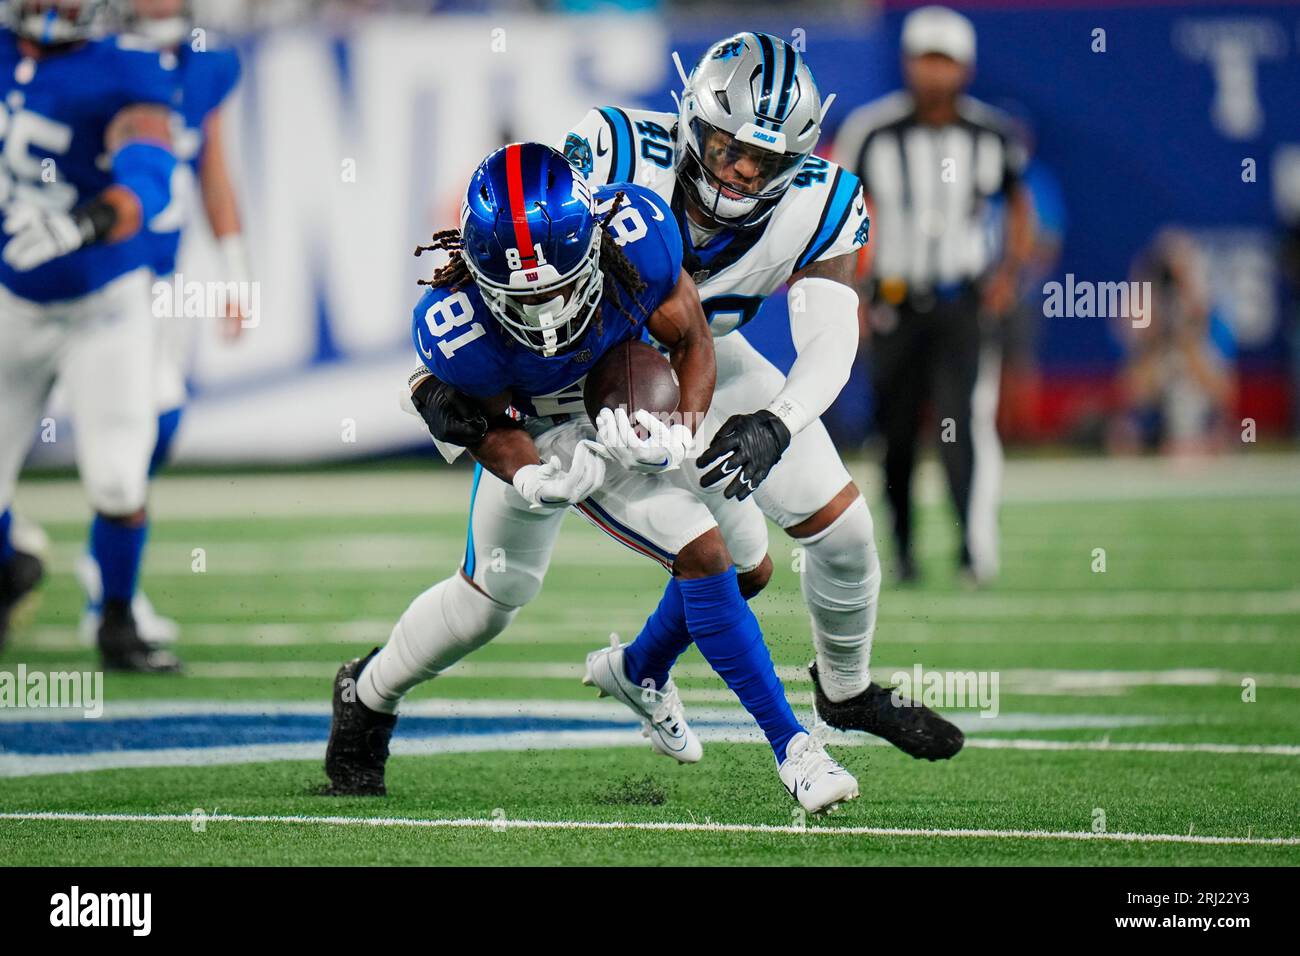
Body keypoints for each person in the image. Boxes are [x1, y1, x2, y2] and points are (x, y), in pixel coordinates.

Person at [325, 143, 858, 813]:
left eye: (559, 286)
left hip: (630, 411)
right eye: (525, 297)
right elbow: (486, 424)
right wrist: (530, 477)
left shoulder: (639, 236)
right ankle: (368, 695)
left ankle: (672, 687)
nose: (547, 313)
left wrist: (682, 430)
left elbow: (693, 338)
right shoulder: (456, 327)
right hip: (542, 432)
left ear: (594, 245)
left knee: (740, 563)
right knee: (489, 601)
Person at [555, 32, 964, 760]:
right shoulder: (615, 150)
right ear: (692, 122)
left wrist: (775, 424)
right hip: (591, 374)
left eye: (767, 161)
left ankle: (844, 690)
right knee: (498, 591)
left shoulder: (822, 201)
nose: (743, 171)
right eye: (727, 148)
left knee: (845, 532)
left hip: (712, 363)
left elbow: (834, 340)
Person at [0, 0, 181, 672]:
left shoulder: (126, 67)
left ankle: (116, 619)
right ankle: (10, 572)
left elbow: (151, 175)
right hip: (11, 300)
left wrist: (82, 224)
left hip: (100, 303)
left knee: (114, 479)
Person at [834, 5, 1033, 587]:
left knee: (961, 424)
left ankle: (972, 550)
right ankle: (901, 551)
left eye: (944, 60)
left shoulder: (990, 133)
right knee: (893, 431)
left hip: (960, 301)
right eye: (925, 58)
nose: (934, 72)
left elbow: (1021, 207)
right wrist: (849, 293)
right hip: (894, 298)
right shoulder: (872, 130)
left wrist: (1006, 276)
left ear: (964, 68)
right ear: (907, 62)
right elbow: (840, 212)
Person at [71, 0, 249, 648]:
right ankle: (104, 588)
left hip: (161, 280)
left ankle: (104, 567)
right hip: (93, 282)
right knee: (132, 435)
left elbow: (213, 172)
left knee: (160, 424)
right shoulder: (92, 56)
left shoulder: (207, 60)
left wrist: (236, 269)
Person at [1108, 229, 1236, 456]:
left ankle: (1193, 440)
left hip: (1200, 418)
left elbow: (1224, 394)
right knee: (1123, 435)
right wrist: (1154, 337)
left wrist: (1188, 337)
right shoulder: (1143, 314)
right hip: (1153, 421)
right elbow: (1132, 392)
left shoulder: (1213, 319)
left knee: (1189, 393)